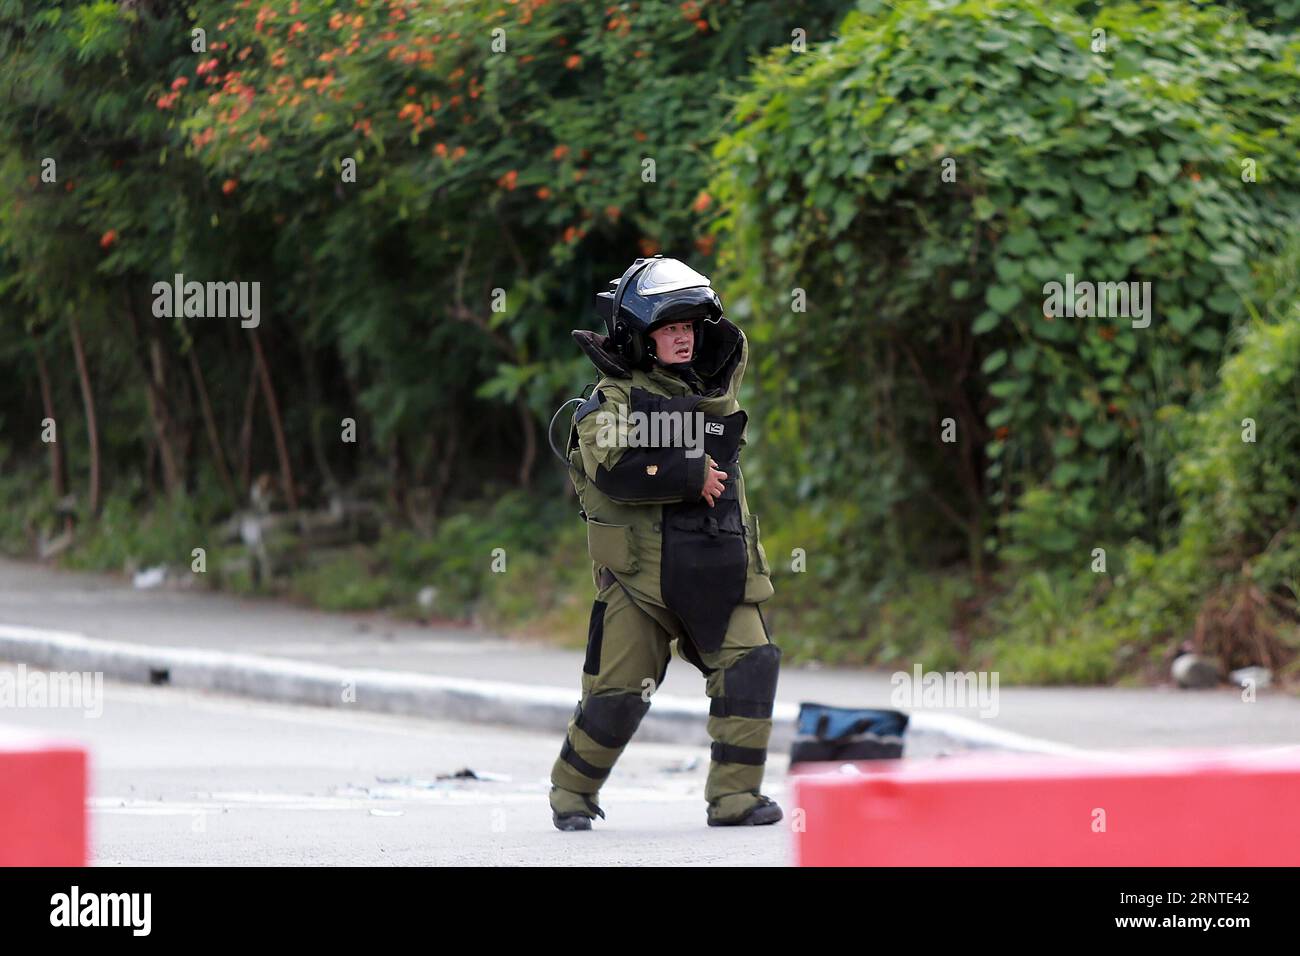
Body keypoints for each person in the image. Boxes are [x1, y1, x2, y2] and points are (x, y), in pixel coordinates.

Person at [548, 255, 782, 830]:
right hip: (639, 578)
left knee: (751, 665)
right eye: (668, 329)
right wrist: (689, 472)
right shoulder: (609, 401)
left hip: (718, 559)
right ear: (640, 337)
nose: (682, 338)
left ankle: (735, 799)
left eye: (688, 328)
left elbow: (731, 354)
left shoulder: (713, 387)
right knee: (617, 696)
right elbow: (617, 468)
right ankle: (571, 793)